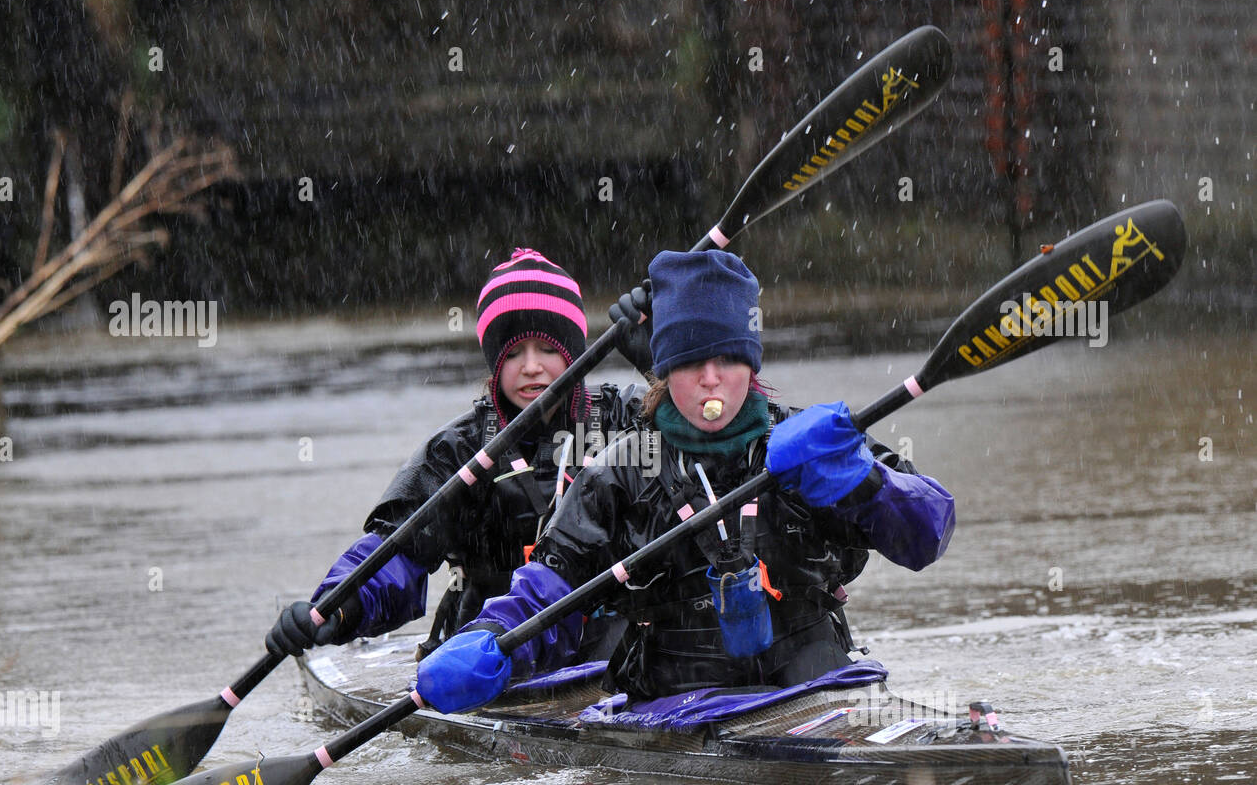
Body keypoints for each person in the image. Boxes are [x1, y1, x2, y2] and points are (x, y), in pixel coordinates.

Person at [415, 250, 957, 713]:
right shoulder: (620, 471)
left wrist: (863, 482)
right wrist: (492, 639)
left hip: (815, 684)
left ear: (752, 363)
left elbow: (929, 531)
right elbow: (549, 590)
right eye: (692, 360)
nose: (711, 378)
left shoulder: (815, 442)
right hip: (674, 699)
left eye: (728, 358)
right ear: (665, 367)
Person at [265, 248, 643, 661]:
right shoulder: (457, 450)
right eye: (513, 353)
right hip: (489, 653)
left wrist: (665, 365)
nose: (531, 367)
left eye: (547, 350)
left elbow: (708, 453)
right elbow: (396, 551)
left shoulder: (627, 421)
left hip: (618, 648)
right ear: (494, 363)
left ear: (574, 354)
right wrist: (338, 606)